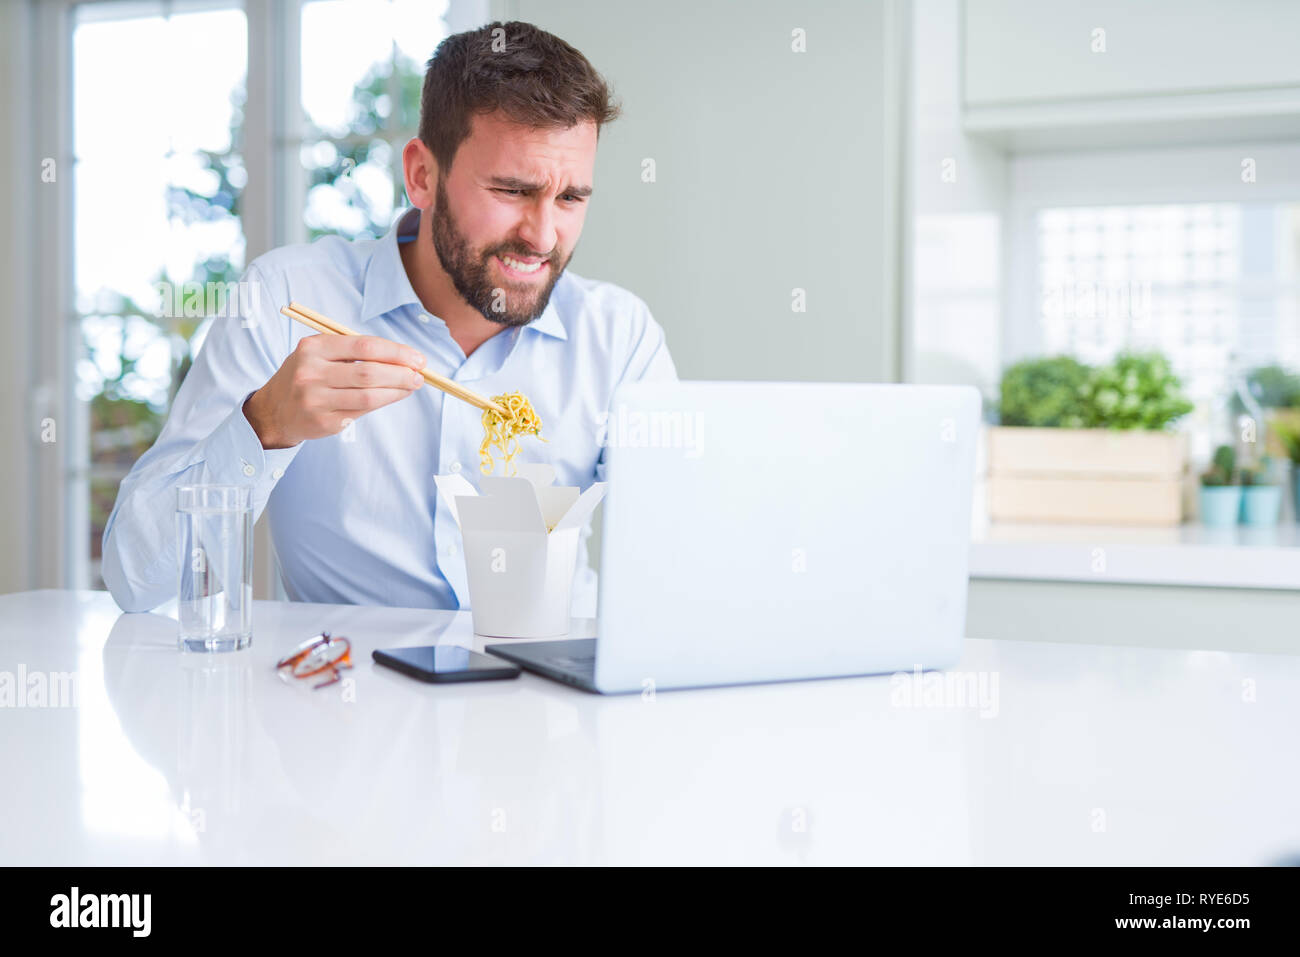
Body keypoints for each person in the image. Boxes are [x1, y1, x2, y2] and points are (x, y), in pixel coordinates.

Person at [102, 20, 676, 613]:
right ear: (423, 175)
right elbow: (136, 578)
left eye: (570, 198)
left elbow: (682, 546)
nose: (542, 235)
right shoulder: (286, 298)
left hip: (553, 694)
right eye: (512, 191)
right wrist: (264, 425)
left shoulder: (618, 336)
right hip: (349, 694)